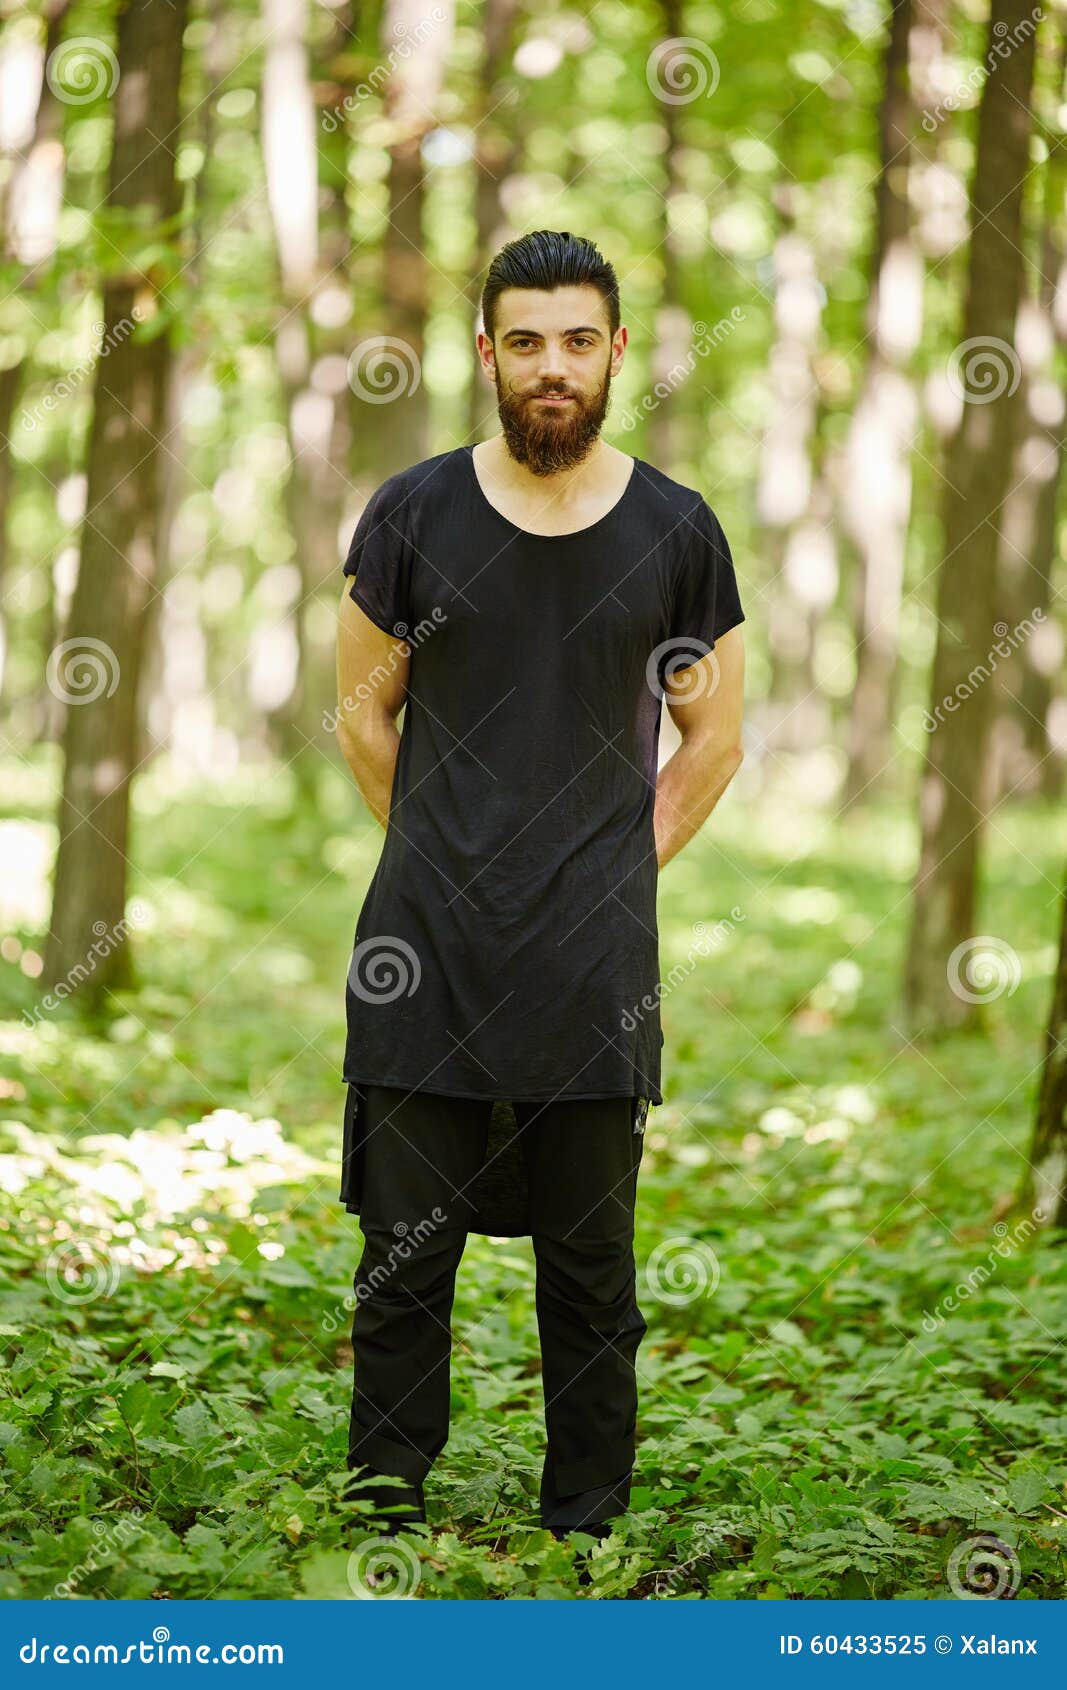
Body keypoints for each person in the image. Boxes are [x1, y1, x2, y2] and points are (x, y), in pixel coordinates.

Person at [334, 229, 746, 1542]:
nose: (552, 367)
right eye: (526, 342)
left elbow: (714, 736)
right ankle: (385, 1512)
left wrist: (613, 870)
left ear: (616, 351)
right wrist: (443, 856)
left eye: (577, 341)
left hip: (591, 967)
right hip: (423, 951)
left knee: (591, 1273)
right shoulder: (412, 515)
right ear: (488, 354)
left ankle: (586, 1526)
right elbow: (360, 711)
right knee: (402, 1265)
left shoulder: (677, 529)